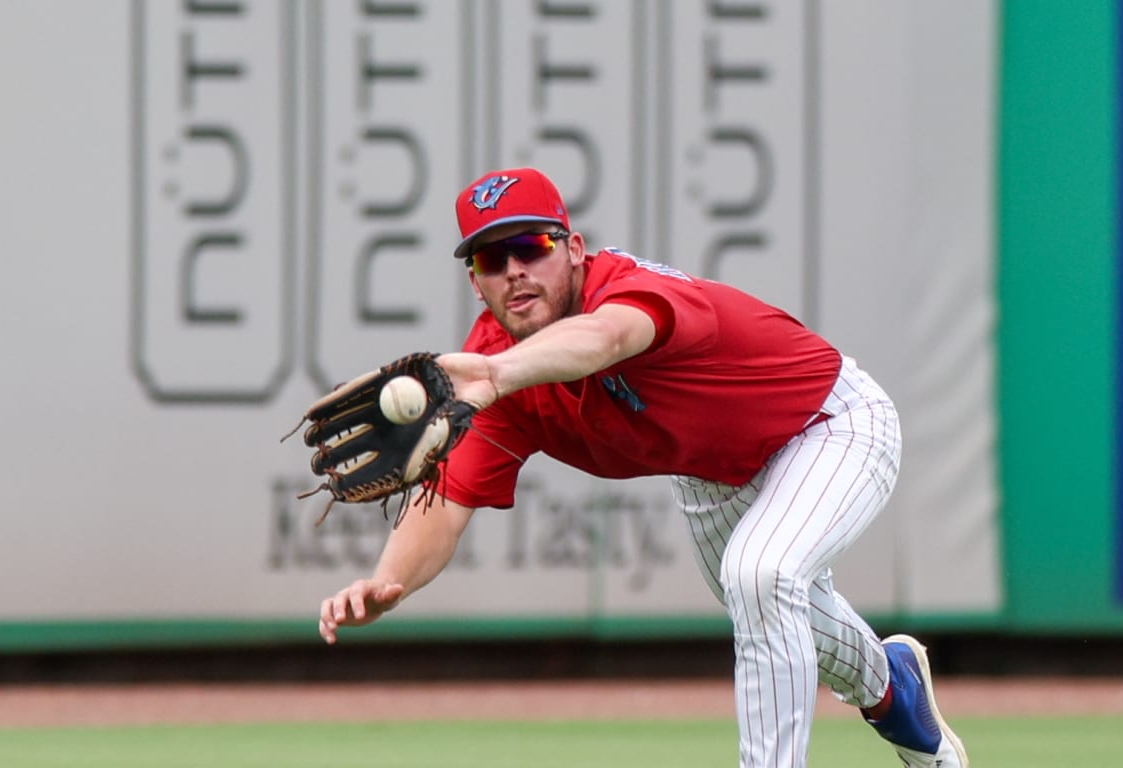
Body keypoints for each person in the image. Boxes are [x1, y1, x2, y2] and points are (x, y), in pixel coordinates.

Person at [316, 167, 968, 768]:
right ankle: (892, 687)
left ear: (572, 248)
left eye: (532, 247)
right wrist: (387, 581)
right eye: (492, 258)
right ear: (476, 280)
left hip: (829, 424)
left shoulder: (621, 294)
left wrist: (492, 373)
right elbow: (449, 498)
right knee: (786, 610)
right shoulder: (494, 371)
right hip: (712, 477)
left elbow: (603, 340)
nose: (515, 270)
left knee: (761, 573)